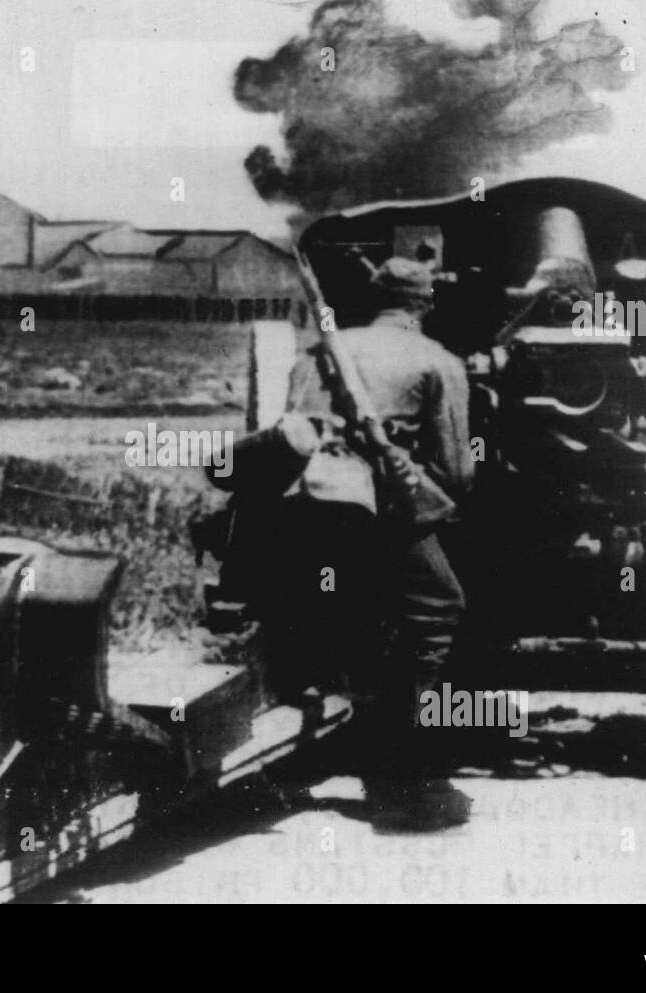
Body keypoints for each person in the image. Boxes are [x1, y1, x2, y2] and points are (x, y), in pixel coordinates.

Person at [211, 255, 473, 830]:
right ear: (425, 303)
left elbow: (291, 430)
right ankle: (404, 773)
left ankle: (312, 716)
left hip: (289, 504)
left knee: (336, 608)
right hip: (363, 505)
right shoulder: (438, 360)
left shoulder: (321, 351)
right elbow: (456, 471)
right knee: (438, 611)